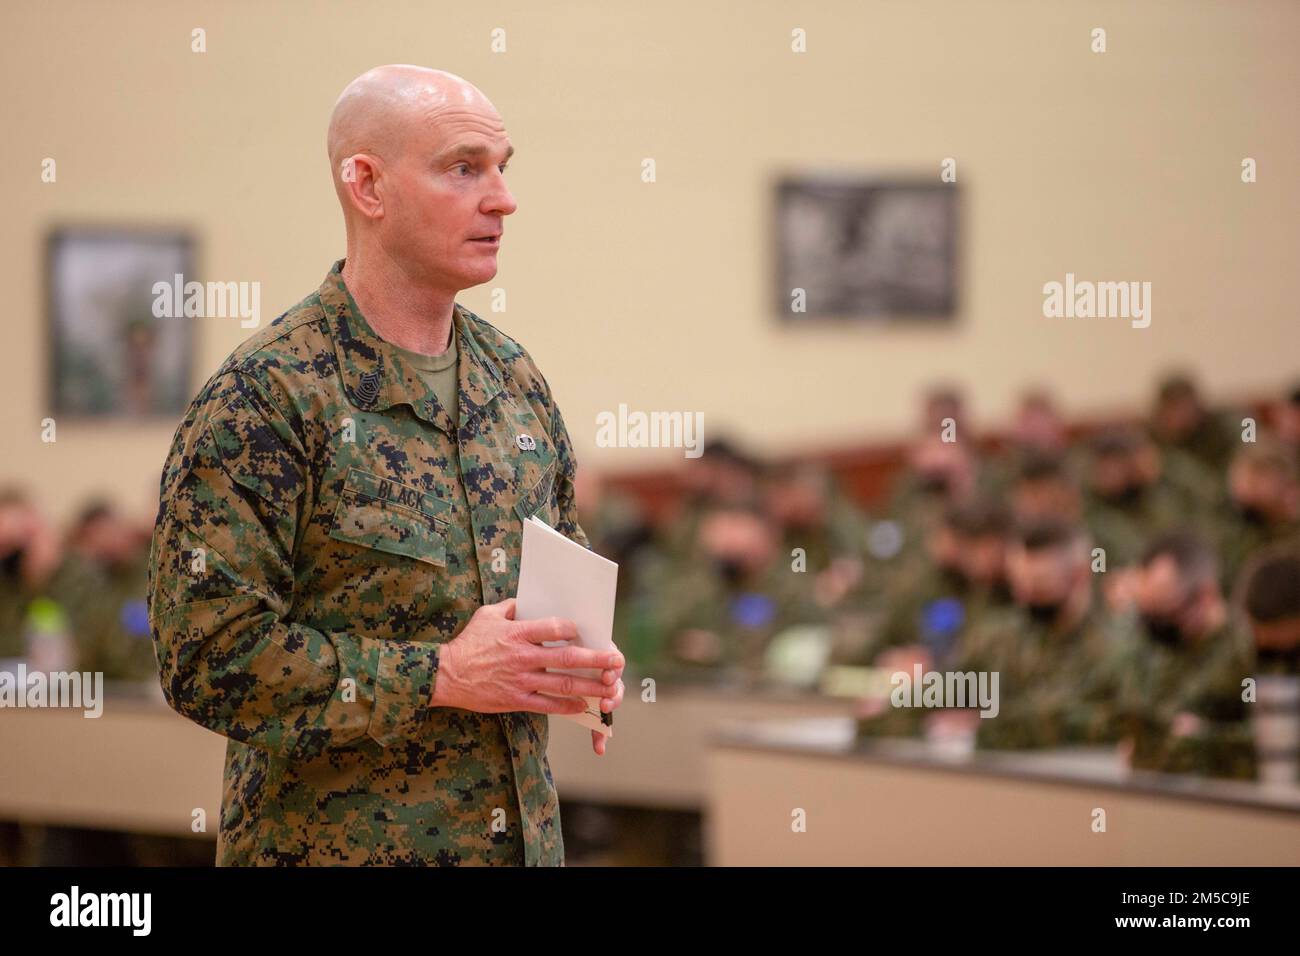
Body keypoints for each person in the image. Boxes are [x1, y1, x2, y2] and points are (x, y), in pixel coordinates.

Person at [147, 65, 626, 867]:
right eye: (464, 168)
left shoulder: (514, 382)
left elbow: (553, 590)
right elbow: (207, 659)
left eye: (504, 167)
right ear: (366, 185)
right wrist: (437, 674)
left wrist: (578, 664)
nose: (503, 198)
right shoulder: (269, 396)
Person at [1105, 532, 1254, 779]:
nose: (1155, 626)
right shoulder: (1152, 649)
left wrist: (1208, 740)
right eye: (1147, 613)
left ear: (1206, 596)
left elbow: (1271, 739)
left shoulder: (1247, 651)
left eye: (1165, 614)